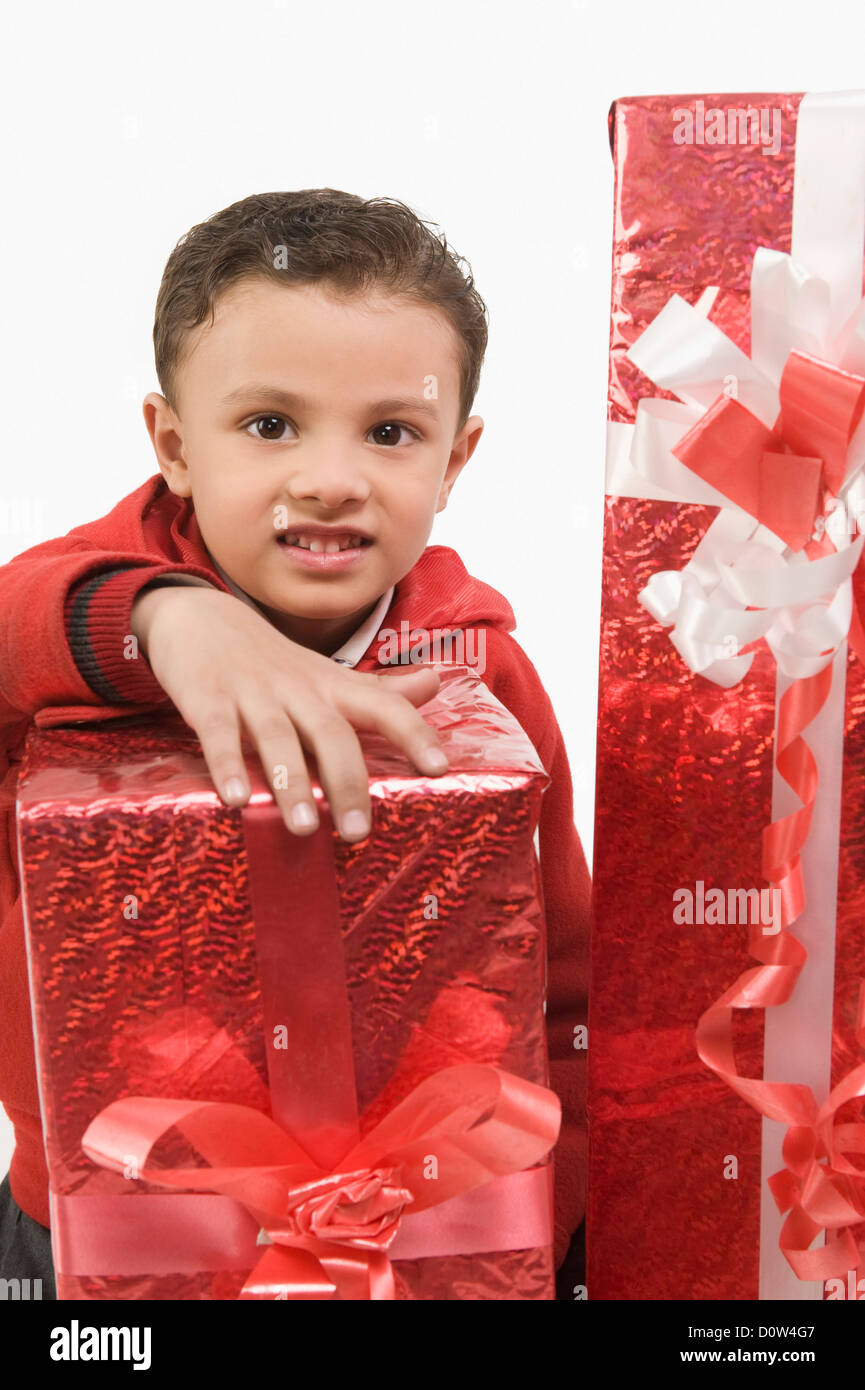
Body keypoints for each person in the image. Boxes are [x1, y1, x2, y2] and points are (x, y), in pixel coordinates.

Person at [0, 189, 590, 1300]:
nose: (329, 476)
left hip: (428, 1232)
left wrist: (553, 1228)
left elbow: (561, 982)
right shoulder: (78, 622)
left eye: (390, 431)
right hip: (97, 1228)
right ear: (173, 444)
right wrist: (164, 620)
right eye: (269, 425)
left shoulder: (478, 670)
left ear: (456, 459)